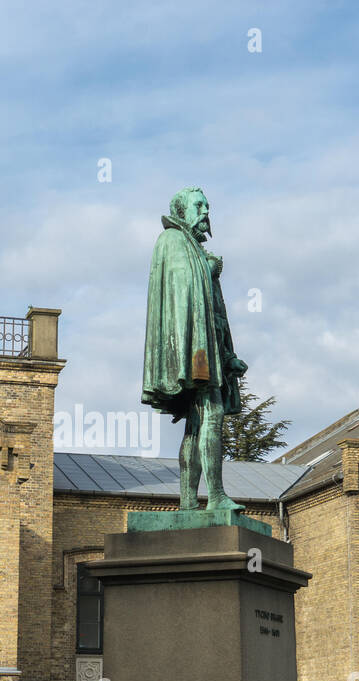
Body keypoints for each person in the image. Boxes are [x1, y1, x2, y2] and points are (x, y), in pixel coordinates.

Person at [141, 188, 248, 511]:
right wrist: (207, 269)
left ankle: (188, 502)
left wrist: (228, 356)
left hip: (206, 350)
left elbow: (214, 312)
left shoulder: (196, 251)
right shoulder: (172, 241)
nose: (205, 211)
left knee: (196, 424)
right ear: (182, 211)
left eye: (207, 206)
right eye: (198, 205)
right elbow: (182, 298)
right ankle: (215, 496)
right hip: (191, 350)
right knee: (211, 414)